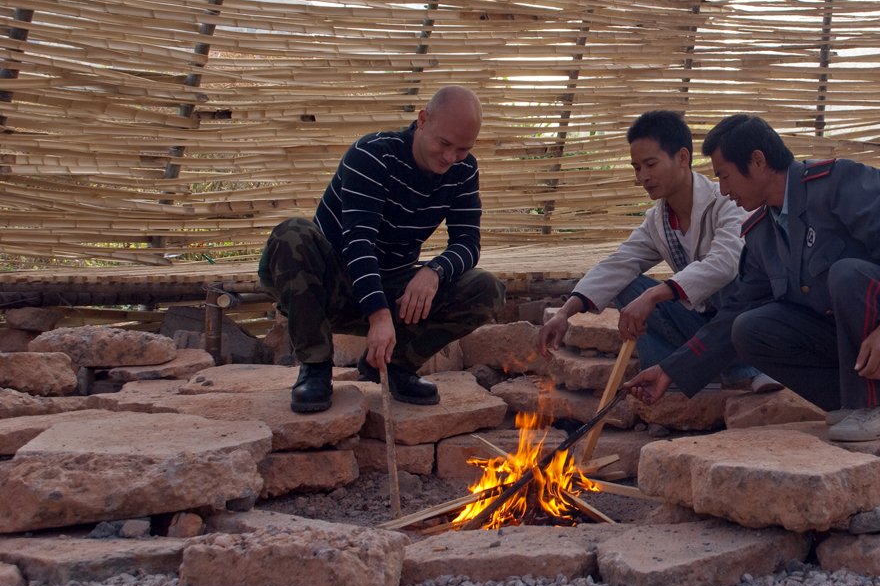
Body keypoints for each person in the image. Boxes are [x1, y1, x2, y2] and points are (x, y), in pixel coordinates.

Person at [625, 114, 880, 441]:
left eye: (725, 175)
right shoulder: (762, 233)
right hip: (856, 338)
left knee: (847, 273)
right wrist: (670, 370)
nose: (723, 189)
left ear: (758, 162)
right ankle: (853, 403)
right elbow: (732, 314)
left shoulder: (842, 182)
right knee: (749, 328)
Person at [259, 86, 505, 413]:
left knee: (486, 288)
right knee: (292, 232)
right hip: (328, 287)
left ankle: (393, 367)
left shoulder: (463, 170)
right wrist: (378, 315)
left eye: (463, 148)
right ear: (422, 120)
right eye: (444, 144)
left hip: (391, 282)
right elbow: (358, 241)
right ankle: (315, 367)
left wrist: (434, 271)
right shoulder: (372, 155)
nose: (450, 158)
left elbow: (468, 243)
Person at [537, 110, 777, 391]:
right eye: (637, 168)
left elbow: (725, 263)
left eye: (651, 164)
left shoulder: (726, 200)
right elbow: (619, 264)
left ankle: (750, 369)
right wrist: (565, 313)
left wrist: (656, 293)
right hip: (704, 327)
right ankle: (665, 377)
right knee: (628, 285)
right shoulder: (658, 220)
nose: (643, 176)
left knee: (729, 282)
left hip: (744, 327)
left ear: (683, 157)